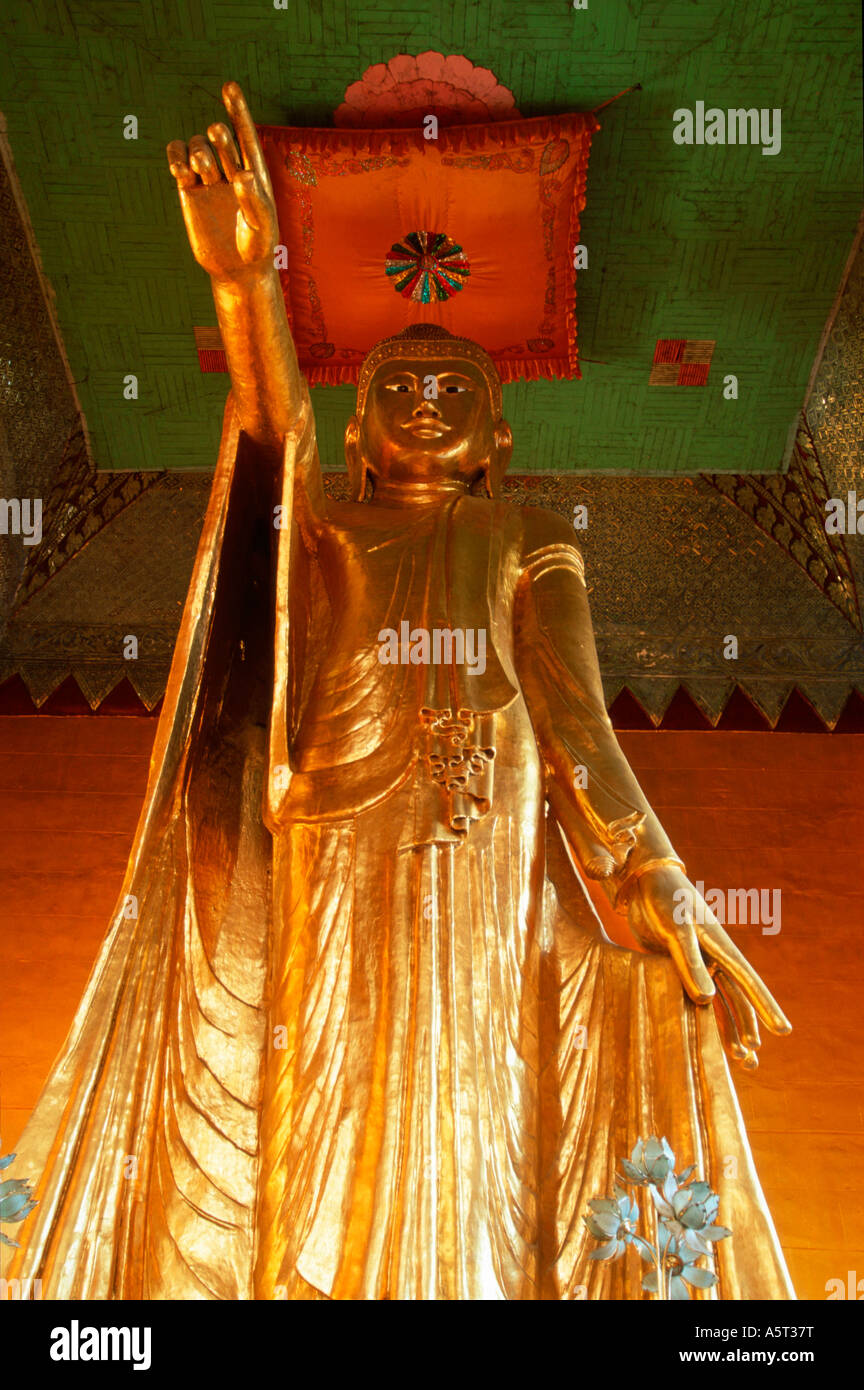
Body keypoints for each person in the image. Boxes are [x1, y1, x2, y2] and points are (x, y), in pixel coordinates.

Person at [3, 83, 792, 1301]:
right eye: (397, 382)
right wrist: (245, 281)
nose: (425, 394)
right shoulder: (322, 514)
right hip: (335, 826)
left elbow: (580, 722)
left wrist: (658, 876)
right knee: (328, 1089)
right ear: (361, 428)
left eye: (454, 384)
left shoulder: (530, 534)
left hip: (482, 824)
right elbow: (271, 421)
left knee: (472, 1074)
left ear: (499, 443)